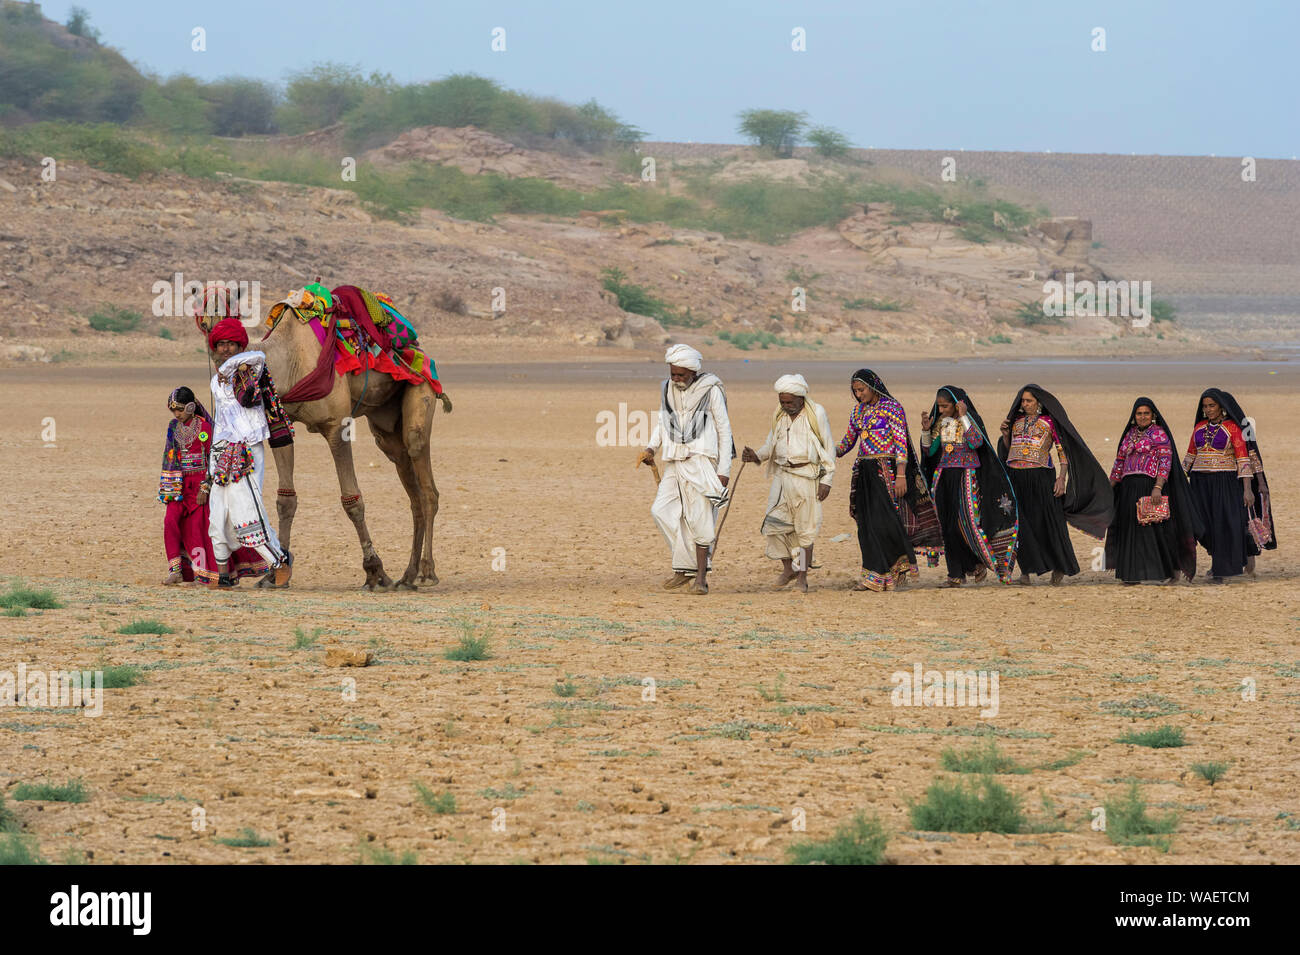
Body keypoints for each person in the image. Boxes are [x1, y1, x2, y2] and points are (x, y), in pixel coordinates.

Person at [203, 317, 293, 589]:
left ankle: (279, 563)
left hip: (247, 451)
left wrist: (233, 367)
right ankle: (224, 577)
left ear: (239, 345)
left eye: (231, 344)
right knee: (218, 517)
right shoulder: (216, 382)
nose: (227, 349)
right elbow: (220, 422)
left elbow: (257, 359)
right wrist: (210, 469)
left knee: (246, 513)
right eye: (221, 345)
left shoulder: (250, 368)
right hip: (222, 452)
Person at [835, 368, 942, 592]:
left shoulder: (892, 408)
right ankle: (872, 574)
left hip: (887, 471)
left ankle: (897, 568)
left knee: (884, 522)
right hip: (863, 471)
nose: (858, 394)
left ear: (873, 386)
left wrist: (901, 474)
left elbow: (901, 442)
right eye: (855, 391)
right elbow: (848, 441)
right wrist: (827, 449)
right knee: (865, 523)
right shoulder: (857, 412)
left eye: (861, 389)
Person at [997, 384, 1114, 585]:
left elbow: (1062, 452)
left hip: (1042, 477)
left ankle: (1059, 567)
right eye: (1023, 401)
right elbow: (1009, 450)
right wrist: (1006, 435)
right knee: (1021, 524)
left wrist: (1062, 478)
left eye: (1029, 401)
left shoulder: (1049, 423)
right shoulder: (1015, 423)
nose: (1024, 404)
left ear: (1039, 403)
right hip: (1017, 477)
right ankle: (1026, 572)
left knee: (1049, 523)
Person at [640, 344, 733, 595]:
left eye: (681, 375)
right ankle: (684, 566)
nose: (677, 379)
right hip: (674, 460)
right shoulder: (667, 388)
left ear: (693, 371)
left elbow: (724, 430)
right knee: (661, 510)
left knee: (700, 519)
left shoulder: (711, 389)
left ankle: (700, 578)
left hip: (702, 460)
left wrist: (724, 471)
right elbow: (663, 420)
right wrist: (651, 448)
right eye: (674, 374)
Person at [159, 387, 270, 585]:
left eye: (180, 409)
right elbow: (169, 455)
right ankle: (175, 570)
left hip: (200, 486)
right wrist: (169, 486)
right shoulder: (173, 427)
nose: (177, 414)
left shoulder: (206, 428)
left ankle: (204, 572)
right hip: (178, 486)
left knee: (197, 529)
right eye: (173, 410)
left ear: (192, 407)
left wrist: (206, 486)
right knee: (170, 521)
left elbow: (214, 458)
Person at [742, 374, 834, 592]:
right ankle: (788, 569)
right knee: (775, 525)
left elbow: (829, 448)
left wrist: (827, 480)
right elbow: (771, 444)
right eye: (782, 402)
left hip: (807, 478)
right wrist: (756, 456)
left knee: (805, 530)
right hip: (783, 478)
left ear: (801, 399)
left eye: (790, 402)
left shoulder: (816, 414)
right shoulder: (779, 415)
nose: (785, 406)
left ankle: (802, 577)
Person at [920, 386, 1019, 586]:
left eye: (945, 406)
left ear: (957, 404)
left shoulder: (970, 422)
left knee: (964, 524)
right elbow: (930, 452)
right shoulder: (943, 423)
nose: (940, 410)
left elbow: (976, 442)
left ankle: (976, 563)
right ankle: (955, 574)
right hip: (943, 477)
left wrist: (964, 417)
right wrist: (925, 430)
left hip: (965, 477)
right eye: (939, 406)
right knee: (946, 527)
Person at [1105, 397, 1203, 584]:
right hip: (1128, 488)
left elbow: (1166, 462)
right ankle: (1131, 575)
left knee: (1154, 531)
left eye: (1146, 413)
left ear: (1153, 415)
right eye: (1139, 413)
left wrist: (1157, 487)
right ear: (1134, 416)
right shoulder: (1129, 434)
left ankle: (1168, 571)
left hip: (1149, 487)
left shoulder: (1159, 434)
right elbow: (1119, 463)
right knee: (1129, 531)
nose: (1142, 417)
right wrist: (1109, 487)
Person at [1183, 389, 1257, 582]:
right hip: (1199, 483)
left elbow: (1243, 459)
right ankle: (1221, 561)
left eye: (1212, 405)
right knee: (1201, 525)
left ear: (1221, 407)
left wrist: (1247, 489)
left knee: (1222, 526)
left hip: (1225, 483)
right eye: (1205, 406)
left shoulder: (1233, 428)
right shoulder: (1199, 427)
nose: (1208, 409)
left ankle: (1221, 569)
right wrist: (1178, 482)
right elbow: (1190, 456)